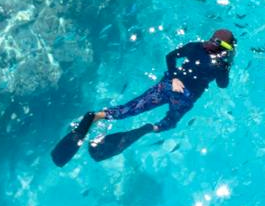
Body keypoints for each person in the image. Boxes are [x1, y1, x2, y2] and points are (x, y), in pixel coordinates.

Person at [61, 30, 237, 159]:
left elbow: (170, 56)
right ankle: (148, 128)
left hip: (168, 84)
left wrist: (174, 77)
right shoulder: (220, 65)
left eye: (214, 41)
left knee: (131, 108)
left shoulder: (195, 47)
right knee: (169, 123)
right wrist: (227, 64)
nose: (210, 43)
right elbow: (223, 85)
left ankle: (98, 116)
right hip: (185, 96)